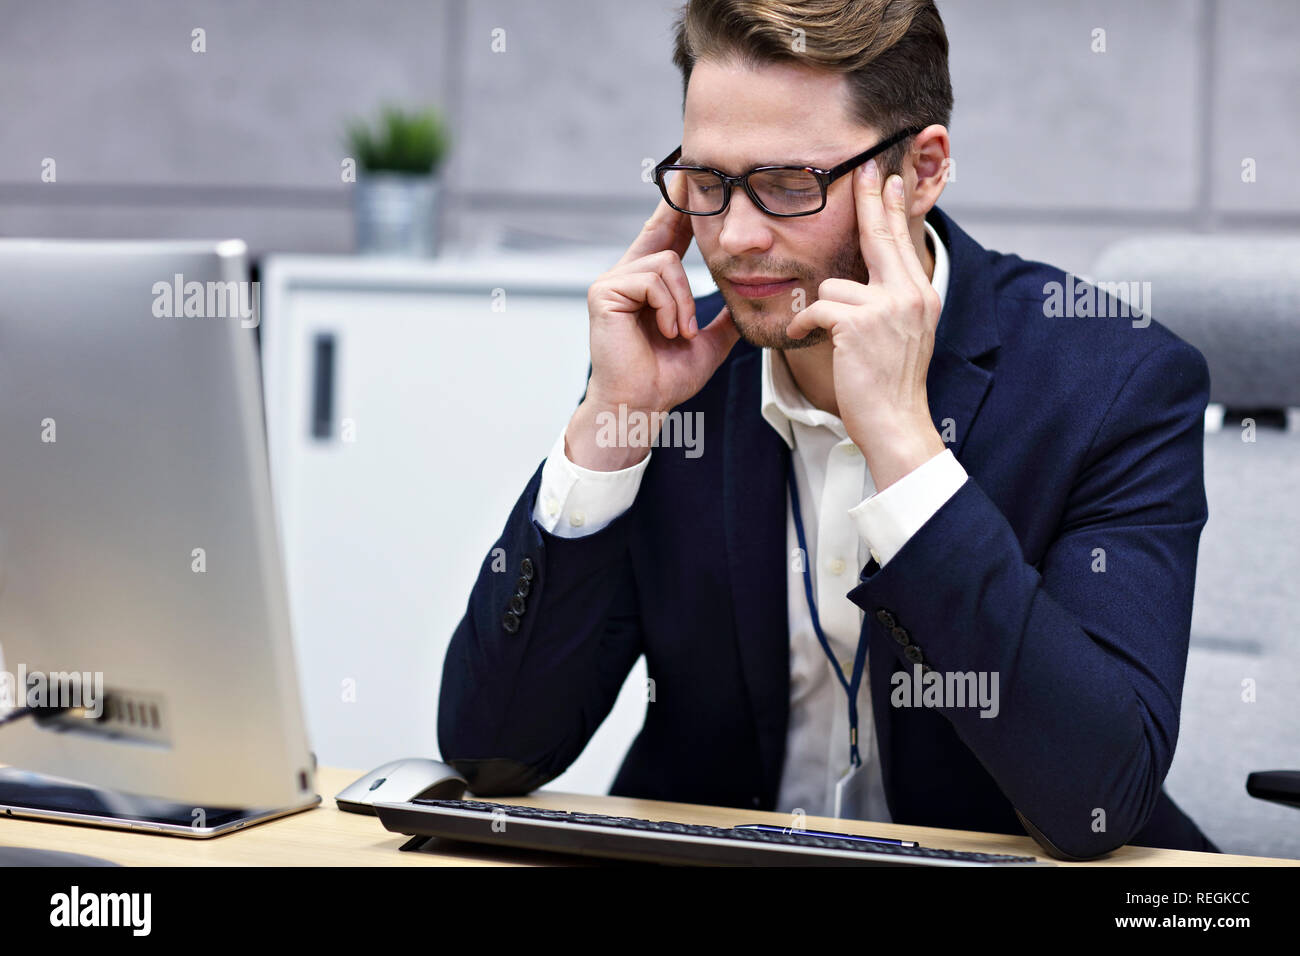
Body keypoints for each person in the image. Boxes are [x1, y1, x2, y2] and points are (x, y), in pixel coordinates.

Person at [438, 0, 1217, 859]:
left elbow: (1098, 802)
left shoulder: (1116, 385)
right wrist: (608, 435)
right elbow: (495, 755)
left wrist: (907, 453)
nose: (732, 239)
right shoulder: (668, 377)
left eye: (786, 185)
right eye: (706, 183)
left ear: (920, 172)